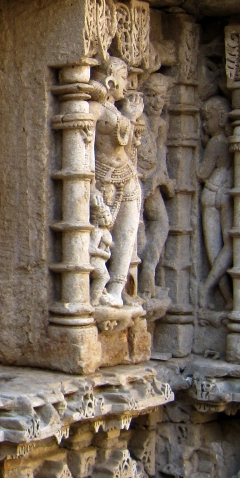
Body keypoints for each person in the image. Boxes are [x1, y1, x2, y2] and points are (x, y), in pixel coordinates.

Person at [89, 57, 144, 307]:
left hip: (128, 177)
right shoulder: (98, 107)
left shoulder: (117, 111)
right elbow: (83, 138)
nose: (127, 84)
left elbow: (127, 145)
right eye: (123, 78)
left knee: (128, 234)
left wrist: (130, 118)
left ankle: (117, 289)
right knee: (103, 236)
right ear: (111, 80)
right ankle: (96, 290)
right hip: (105, 179)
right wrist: (89, 186)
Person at [137, 73, 175, 299]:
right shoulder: (137, 119)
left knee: (161, 223)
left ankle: (149, 268)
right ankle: (137, 279)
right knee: (138, 227)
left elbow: (160, 155)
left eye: (160, 97)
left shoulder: (160, 124)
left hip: (151, 180)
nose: (156, 102)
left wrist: (161, 178)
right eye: (151, 95)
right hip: (134, 180)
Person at [199, 96, 233, 309]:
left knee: (215, 248)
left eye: (208, 119)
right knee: (228, 246)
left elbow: (202, 173)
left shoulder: (215, 142)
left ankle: (209, 289)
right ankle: (227, 297)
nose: (204, 124)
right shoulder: (227, 141)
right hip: (227, 193)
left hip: (212, 193)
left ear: (221, 120)